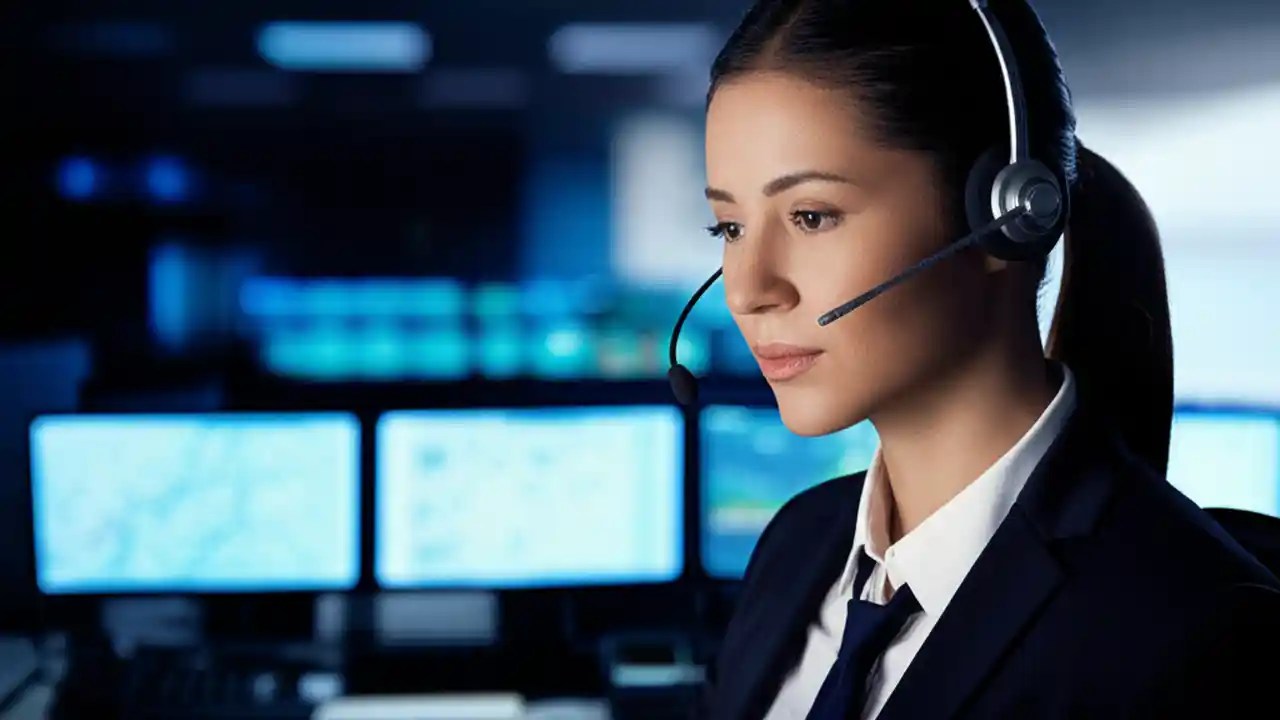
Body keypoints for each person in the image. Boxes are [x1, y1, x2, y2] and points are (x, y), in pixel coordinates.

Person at [692, 0, 1280, 718]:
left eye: (812, 217)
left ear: (1008, 215)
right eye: (728, 225)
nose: (747, 290)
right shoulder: (796, 546)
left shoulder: (1197, 634)